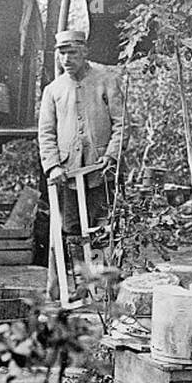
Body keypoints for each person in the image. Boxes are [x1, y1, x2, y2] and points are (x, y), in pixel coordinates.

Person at [38, 29, 124, 297]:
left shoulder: (106, 81)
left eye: (72, 52)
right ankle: (79, 285)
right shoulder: (54, 90)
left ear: (84, 52)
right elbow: (46, 132)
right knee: (71, 230)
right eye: (61, 53)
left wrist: (111, 155)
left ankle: (103, 286)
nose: (66, 58)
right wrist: (53, 166)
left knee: (102, 228)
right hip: (68, 172)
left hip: (101, 171)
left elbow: (122, 124)